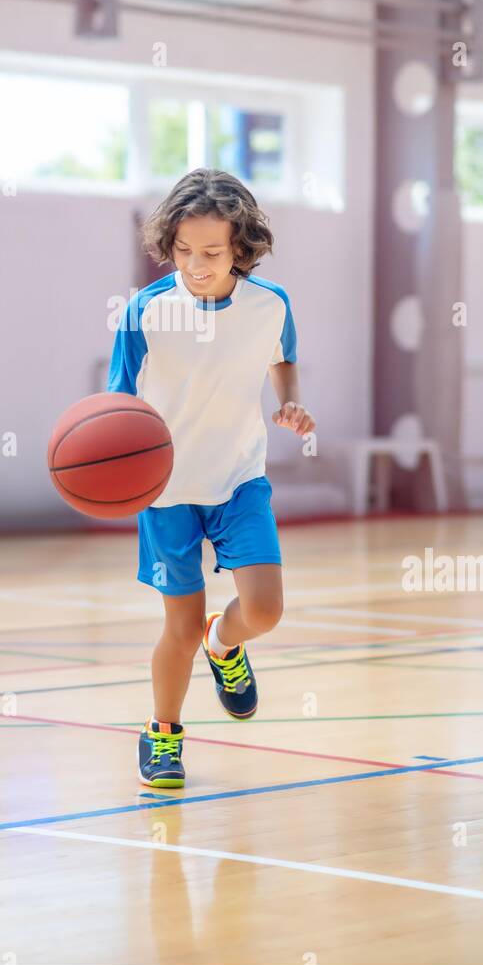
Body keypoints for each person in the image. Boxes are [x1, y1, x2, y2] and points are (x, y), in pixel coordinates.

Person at [106, 167, 315, 788]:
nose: (196, 265)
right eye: (183, 250)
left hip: (238, 477)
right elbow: (117, 402)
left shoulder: (269, 305)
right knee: (176, 626)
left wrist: (291, 402)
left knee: (266, 610)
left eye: (212, 253)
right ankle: (163, 734)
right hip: (165, 489)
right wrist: (116, 470)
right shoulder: (146, 310)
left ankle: (223, 644)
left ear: (241, 250)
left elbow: (283, 358)